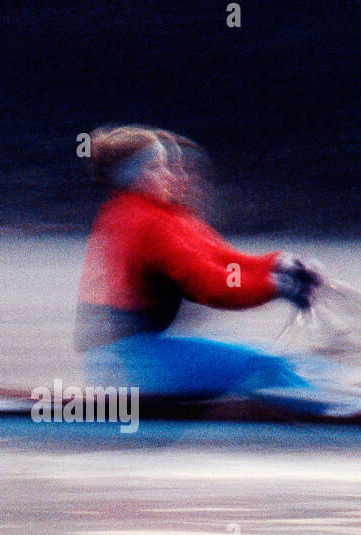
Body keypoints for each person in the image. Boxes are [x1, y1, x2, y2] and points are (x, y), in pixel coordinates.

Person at [75, 125, 324, 400]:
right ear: (132, 179)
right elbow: (210, 284)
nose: (170, 175)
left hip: (129, 356)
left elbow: (227, 263)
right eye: (156, 168)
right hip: (126, 363)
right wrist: (277, 288)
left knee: (295, 365)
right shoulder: (144, 222)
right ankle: (335, 422)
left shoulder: (161, 216)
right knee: (267, 367)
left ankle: (327, 409)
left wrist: (282, 265)